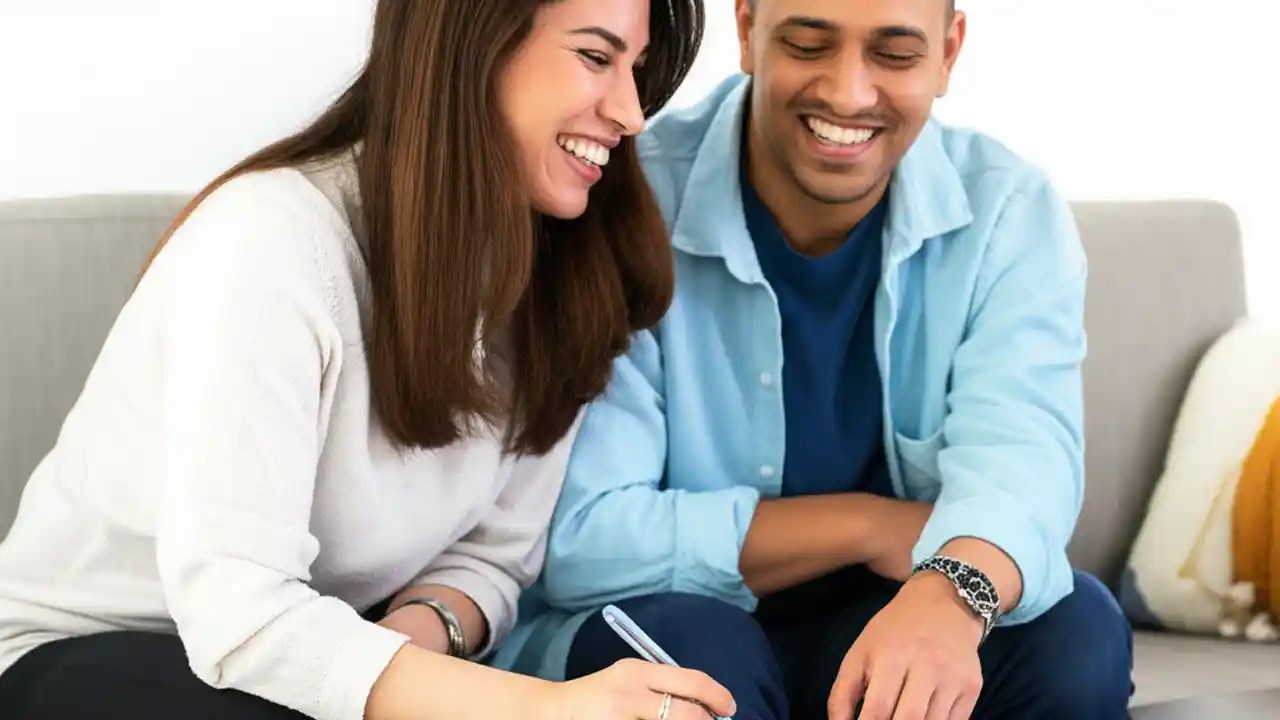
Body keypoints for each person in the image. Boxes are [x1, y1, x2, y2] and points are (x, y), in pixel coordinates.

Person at [0, 2, 739, 720]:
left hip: (285, 659)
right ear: (473, 47)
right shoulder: (272, 244)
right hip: (90, 649)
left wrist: (400, 649)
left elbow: (493, 556)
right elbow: (241, 615)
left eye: (637, 69)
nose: (633, 113)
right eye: (595, 56)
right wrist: (542, 708)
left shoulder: (565, 279)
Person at [497, 1, 1134, 718]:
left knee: (1076, 630)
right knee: (695, 665)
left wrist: (948, 592)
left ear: (948, 55)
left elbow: (1025, 463)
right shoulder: (626, 193)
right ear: (746, 30)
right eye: (807, 44)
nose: (847, 92)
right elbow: (586, 539)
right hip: (680, 620)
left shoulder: (1007, 212)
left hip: (879, 611)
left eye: (893, 56)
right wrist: (869, 525)